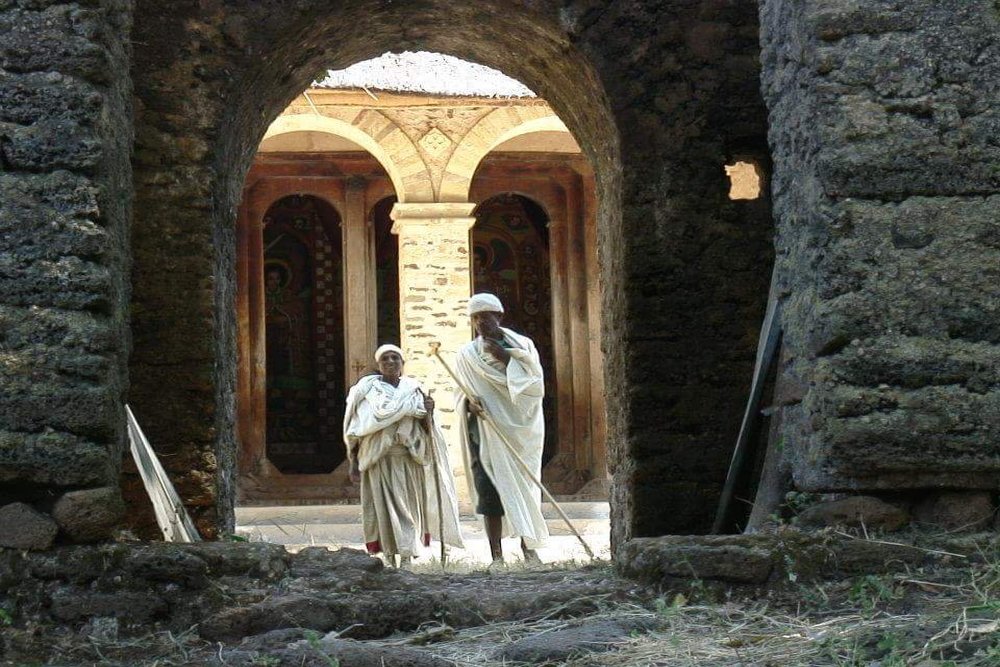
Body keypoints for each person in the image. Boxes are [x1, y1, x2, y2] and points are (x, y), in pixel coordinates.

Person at [344, 344, 463, 567]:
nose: (390, 362)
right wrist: (353, 463)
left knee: (407, 508)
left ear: (402, 363)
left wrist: (429, 411)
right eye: (385, 359)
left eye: (395, 358)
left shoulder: (415, 391)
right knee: (383, 510)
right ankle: (389, 555)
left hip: (408, 459)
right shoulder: (368, 392)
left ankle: (407, 555)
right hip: (378, 460)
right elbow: (356, 429)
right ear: (378, 365)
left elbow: (428, 431)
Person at [456, 293, 548, 563]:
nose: (481, 322)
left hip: (520, 433)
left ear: (499, 316)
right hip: (485, 434)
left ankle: (528, 548)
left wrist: (507, 359)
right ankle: (496, 556)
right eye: (475, 317)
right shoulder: (466, 356)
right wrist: (468, 407)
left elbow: (534, 387)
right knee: (489, 495)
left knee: (525, 489)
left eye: (486, 316)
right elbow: (461, 393)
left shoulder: (524, 348)